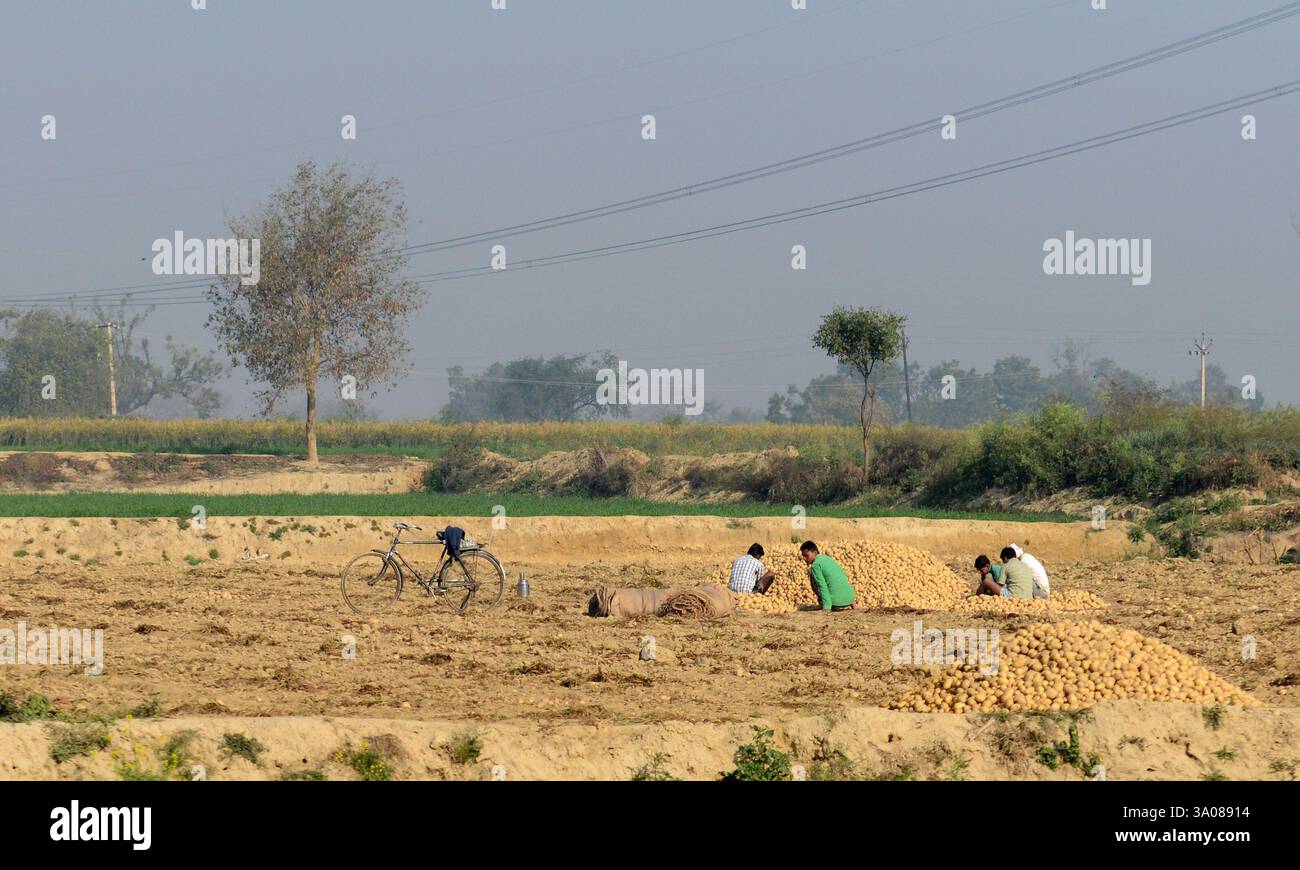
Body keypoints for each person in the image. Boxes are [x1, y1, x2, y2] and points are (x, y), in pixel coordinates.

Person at [799, 541, 856, 611]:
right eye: (803, 556)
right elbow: (842, 577)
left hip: (837, 604)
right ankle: (851, 603)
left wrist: (826, 608)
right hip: (850, 599)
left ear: (815, 552)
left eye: (806, 555)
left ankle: (827, 604)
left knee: (812, 577)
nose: (804, 558)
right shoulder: (827, 558)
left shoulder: (815, 565)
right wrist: (852, 603)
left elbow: (822, 586)